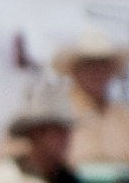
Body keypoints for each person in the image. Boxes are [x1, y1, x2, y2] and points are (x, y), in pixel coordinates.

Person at [7, 82, 95, 183]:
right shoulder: (10, 177)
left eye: (67, 131)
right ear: (35, 134)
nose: (66, 139)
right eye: (57, 131)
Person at [53, 28, 129, 171]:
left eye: (103, 64)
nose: (97, 71)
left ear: (112, 70)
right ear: (74, 71)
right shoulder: (55, 113)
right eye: (88, 65)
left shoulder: (123, 116)